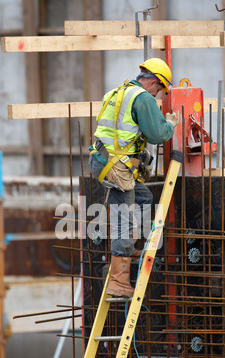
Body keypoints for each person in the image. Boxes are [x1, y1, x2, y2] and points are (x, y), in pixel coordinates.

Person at [89, 58, 178, 298]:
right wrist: (170, 125)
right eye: (159, 89)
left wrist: (138, 158)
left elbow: (117, 132)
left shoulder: (117, 92)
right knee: (122, 222)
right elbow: (158, 133)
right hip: (116, 167)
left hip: (103, 159)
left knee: (143, 197)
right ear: (152, 83)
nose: (158, 94)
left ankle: (131, 249)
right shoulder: (143, 98)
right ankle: (119, 281)